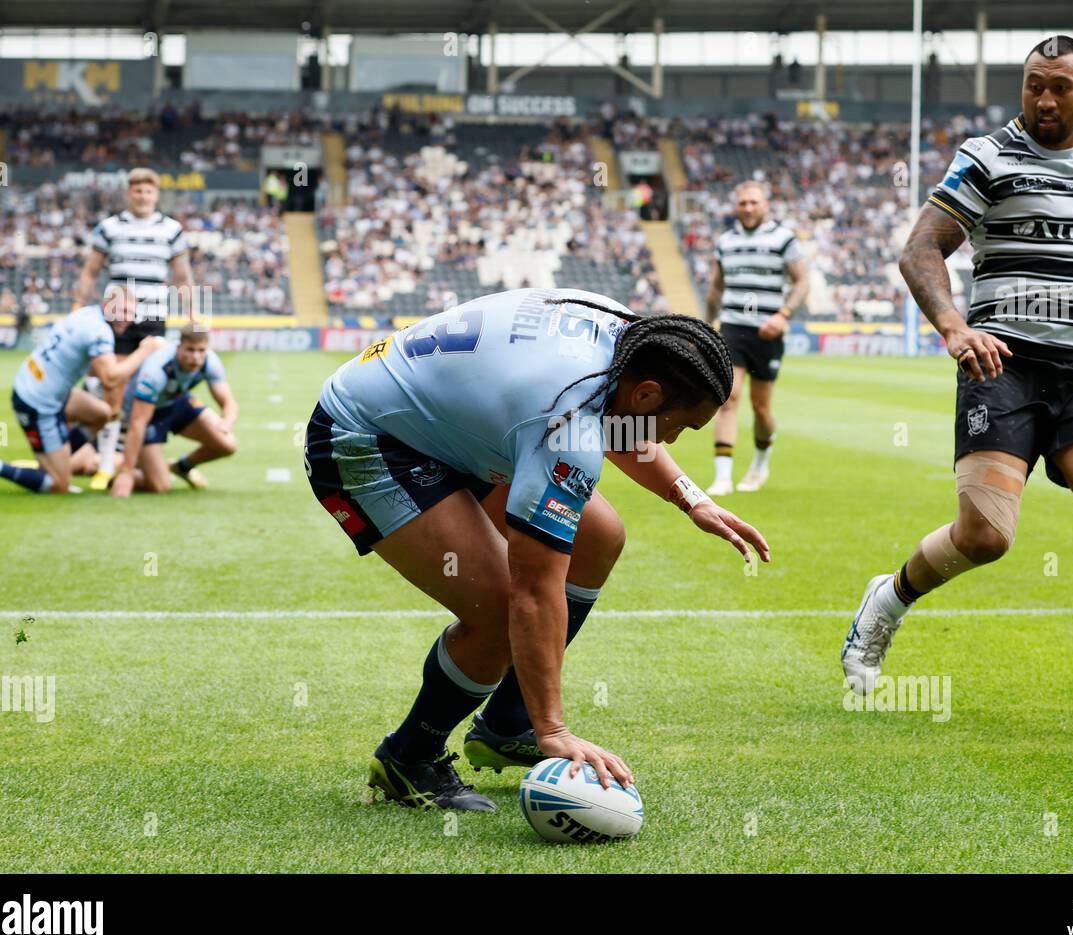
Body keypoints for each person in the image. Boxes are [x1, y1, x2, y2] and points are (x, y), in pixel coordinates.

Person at [842, 36, 1073, 748]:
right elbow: (920, 248)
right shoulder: (988, 157)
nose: (1044, 100)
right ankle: (887, 599)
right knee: (986, 538)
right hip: (1002, 365)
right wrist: (954, 327)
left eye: (1059, 87)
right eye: (1032, 86)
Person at [306, 288, 771, 810]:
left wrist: (690, 498)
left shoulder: (632, 339)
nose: (676, 439)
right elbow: (534, 586)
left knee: (600, 538)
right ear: (647, 394)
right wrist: (556, 730)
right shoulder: (562, 420)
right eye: (683, 424)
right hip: (366, 434)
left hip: (451, 420)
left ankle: (506, 724)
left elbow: (617, 417)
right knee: (502, 608)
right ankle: (409, 757)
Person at [0, 286, 161, 495]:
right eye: (122, 311)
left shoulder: (86, 314)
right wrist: (144, 351)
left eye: (131, 313)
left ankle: (56, 457)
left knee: (103, 414)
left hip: (42, 386)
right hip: (38, 402)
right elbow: (110, 378)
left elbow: (92, 368)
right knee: (59, 485)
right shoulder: (100, 332)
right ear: (107, 305)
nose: (127, 318)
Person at [72, 167, 195, 490]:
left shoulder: (171, 229)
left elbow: (182, 276)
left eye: (148, 191)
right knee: (112, 385)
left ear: (156, 195)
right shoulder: (110, 227)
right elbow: (90, 271)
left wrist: (192, 313)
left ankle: (136, 456)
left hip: (154, 317)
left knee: (145, 387)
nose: (142, 196)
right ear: (129, 193)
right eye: (137, 190)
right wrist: (76, 307)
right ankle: (106, 461)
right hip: (117, 316)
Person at [704, 180, 809, 496]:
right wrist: (707, 325)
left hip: (767, 333)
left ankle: (761, 462)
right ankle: (723, 476)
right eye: (743, 203)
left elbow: (802, 281)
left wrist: (783, 315)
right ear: (736, 206)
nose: (748, 208)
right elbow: (716, 286)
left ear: (766, 205)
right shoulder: (725, 241)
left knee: (761, 409)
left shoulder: (783, 239)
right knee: (728, 398)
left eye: (754, 202)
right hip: (732, 329)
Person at [111, 329, 238, 498]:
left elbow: (229, 403)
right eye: (190, 350)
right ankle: (122, 473)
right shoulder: (156, 371)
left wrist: (225, 423)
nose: (196, 357)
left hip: (178, 402)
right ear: (179, 347)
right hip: (148, 412)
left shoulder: (210, 361)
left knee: (227, 444)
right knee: (160, 486)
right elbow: (138, 422)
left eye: (201, 350)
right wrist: (127, 473)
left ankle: (182, 466)